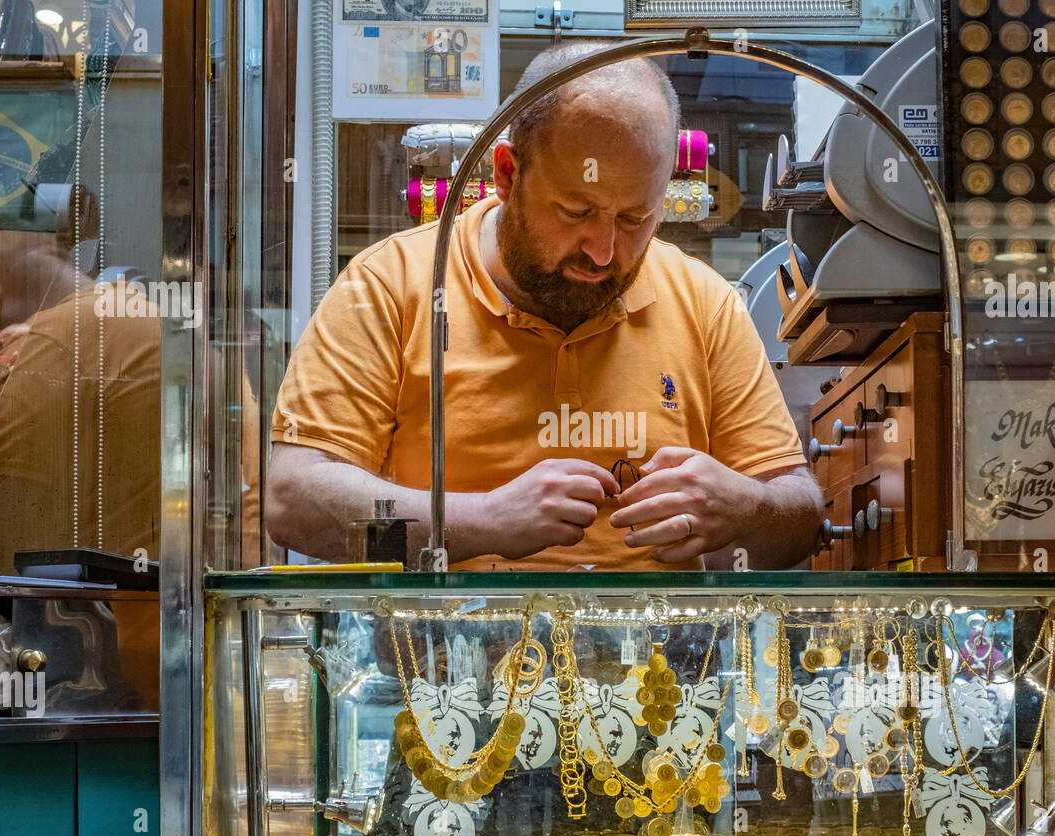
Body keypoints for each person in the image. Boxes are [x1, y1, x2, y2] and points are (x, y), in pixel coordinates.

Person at [266, 41, 823, 570]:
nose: (604, 252)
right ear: (507, 174)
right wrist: (480, 521)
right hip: (442, 668)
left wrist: (747, 510)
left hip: (661, 669)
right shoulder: (391, 287)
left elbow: (799, 516)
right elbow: (295, 505)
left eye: (634, 218)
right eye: (577, 210)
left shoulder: (704, 304)